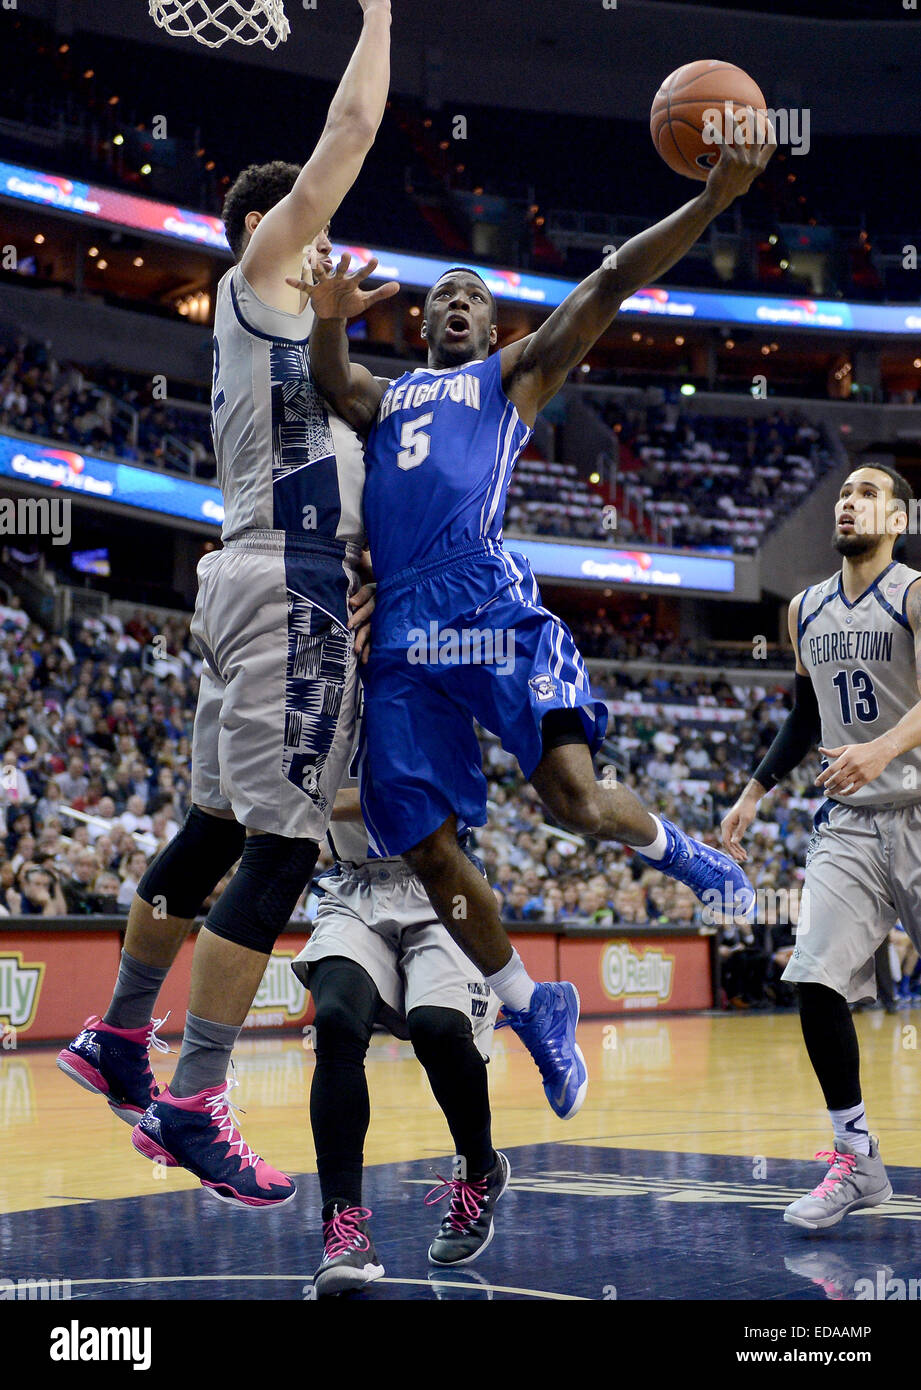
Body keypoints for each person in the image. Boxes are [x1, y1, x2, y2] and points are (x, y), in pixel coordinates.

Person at [299, 110, 773, 1120]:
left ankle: (688, 856)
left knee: (571, 797)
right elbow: (330, 377)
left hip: (484, 605)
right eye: (445, 298)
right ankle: (530, 1006)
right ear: (423, 323)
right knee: (424, 844)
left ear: (495, 327)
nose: (460, 305)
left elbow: (606, 286)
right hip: (403, 646)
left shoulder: (511, 380)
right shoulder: (387, 402)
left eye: (475, 296)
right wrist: (330, 316)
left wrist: (710, 199)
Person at [57, 0, 393, 1209]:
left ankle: (114, 1036)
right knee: (286, 842)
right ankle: (195, 1097)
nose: (324, 225)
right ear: (266, 228)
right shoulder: (260, 279)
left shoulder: (305, 336)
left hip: (252, 579)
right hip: (280, 587)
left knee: (208, 829)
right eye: (305, 211)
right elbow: (351, 127)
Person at [721, 463, 921, 1229]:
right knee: (812, 978)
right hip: (849, 824)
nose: (849, 501)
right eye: (842, 493)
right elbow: (806, 716)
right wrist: (752, 792)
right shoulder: (802, 608)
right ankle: (856, 1157)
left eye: (867, 493)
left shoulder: (911, 593)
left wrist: (878, 748)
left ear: (899, 519)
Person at [291, 738, 506, 1295]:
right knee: (335, 1021)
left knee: (438, 1027)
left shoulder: (428, 680)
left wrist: (310, 798)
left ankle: (479, 1169)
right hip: (354, 885)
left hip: (441, 882)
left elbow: (433, 798)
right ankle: (343, 1232)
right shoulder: (318, 687)